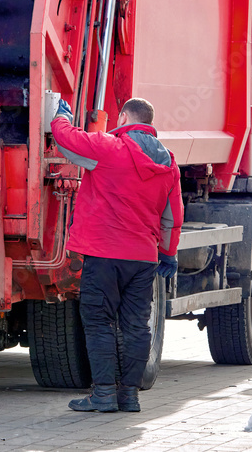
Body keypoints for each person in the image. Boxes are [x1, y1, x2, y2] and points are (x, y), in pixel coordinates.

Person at [50, 97, 183, 413]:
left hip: (104, 253)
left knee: (99, 321)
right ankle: (130, 396)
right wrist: (168, 253)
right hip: (143, 258)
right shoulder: (169, 163)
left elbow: (68, 142)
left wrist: (60, 116)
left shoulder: (109, 148)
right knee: (136, 325)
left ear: (124, 117)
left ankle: (104, 394)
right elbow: (172, 216)